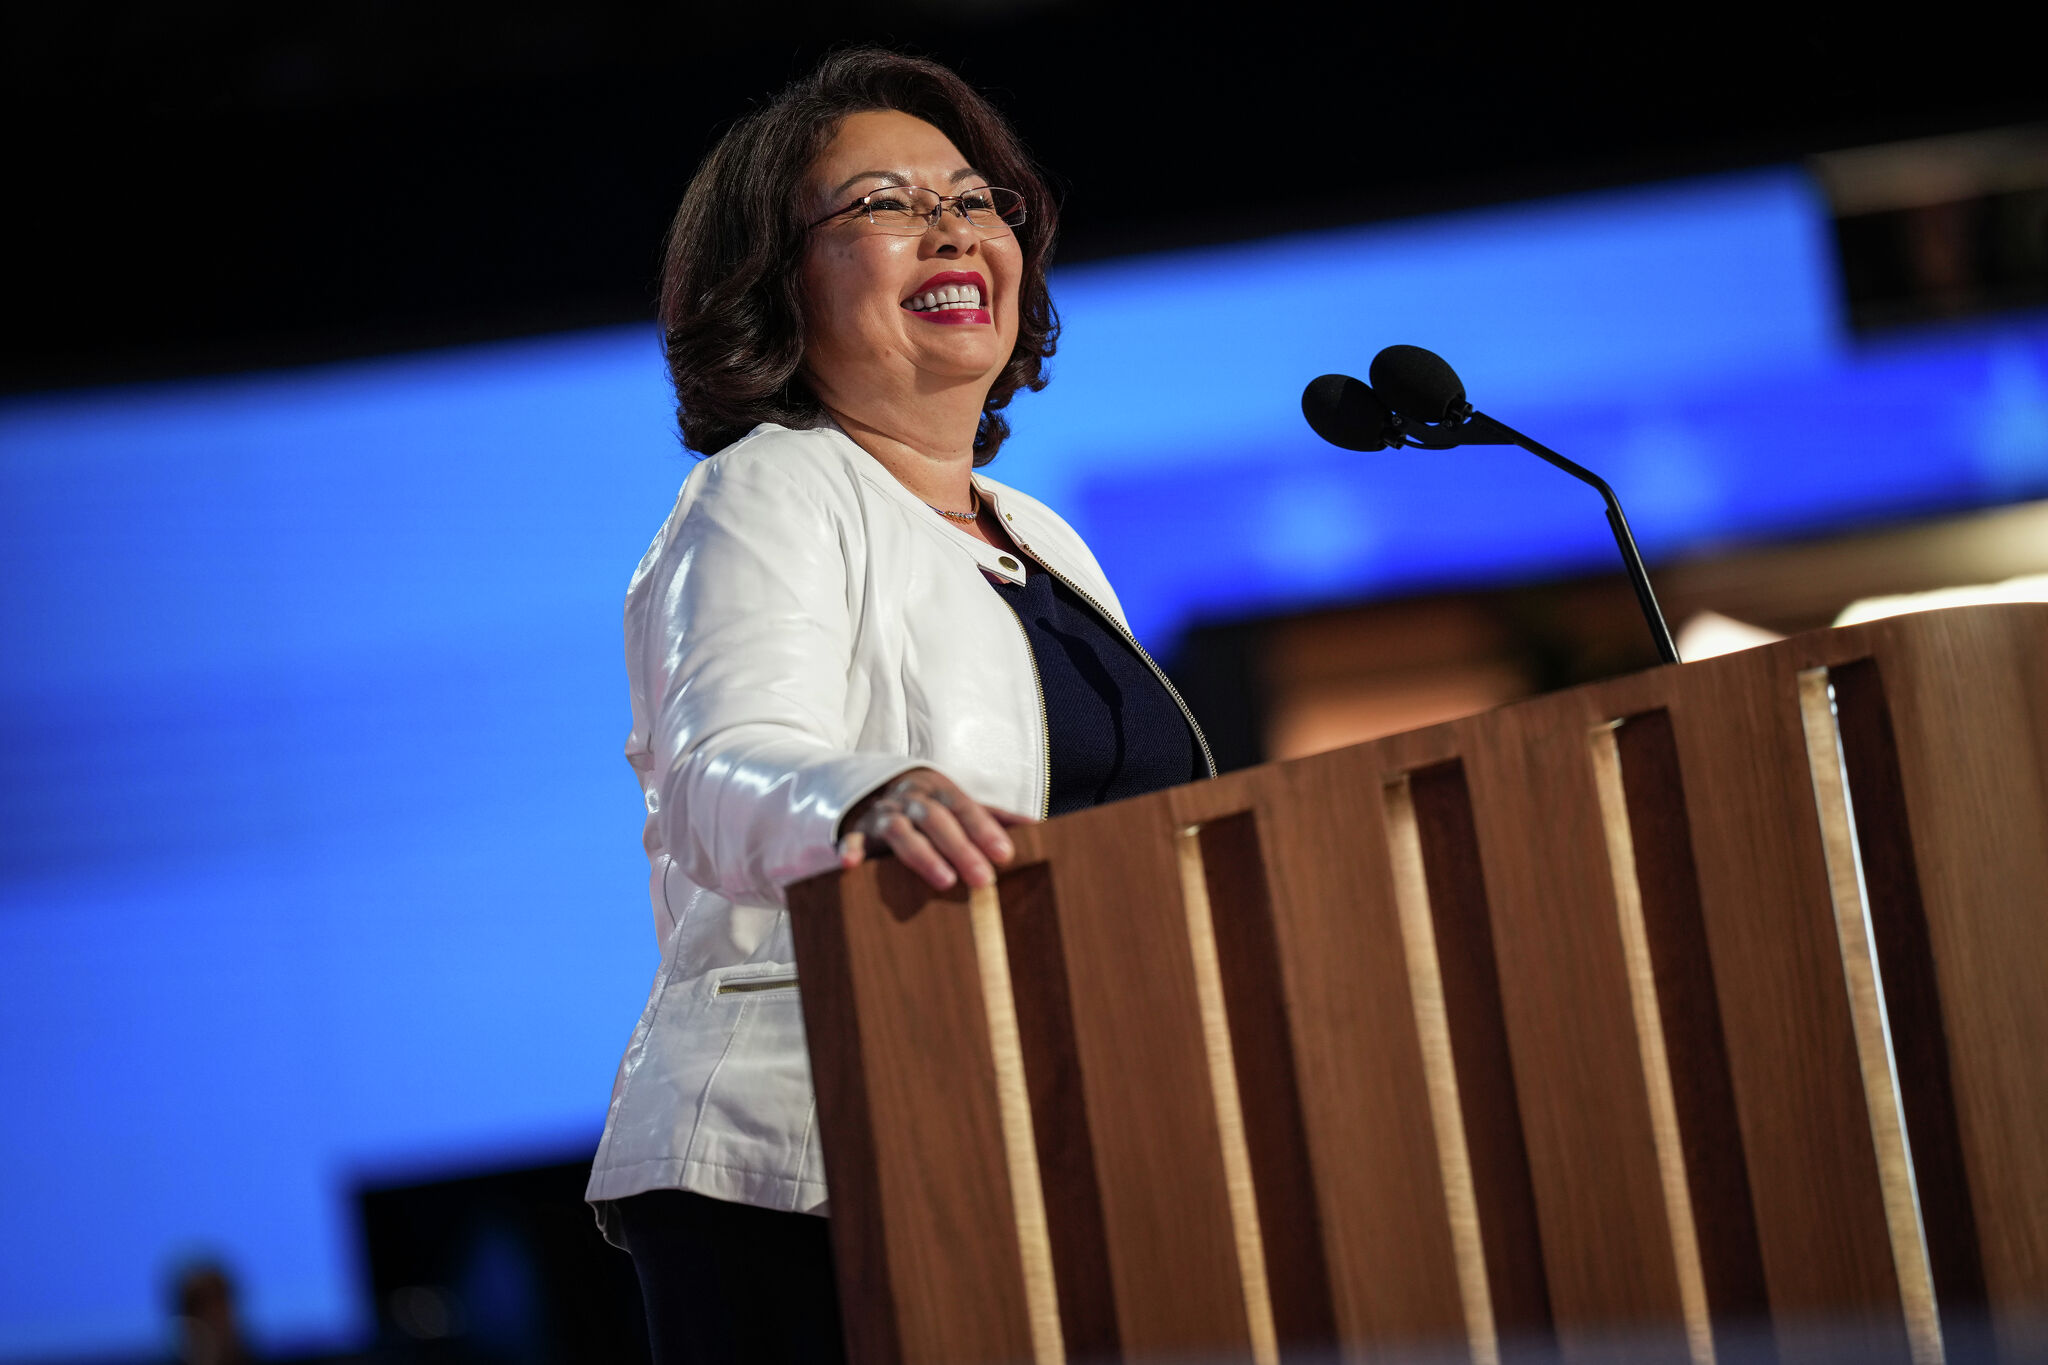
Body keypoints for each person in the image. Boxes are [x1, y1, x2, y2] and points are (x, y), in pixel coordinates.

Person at [586, 48, 1213, 1363]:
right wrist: (867, 796)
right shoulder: (768, 488)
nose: (952, 228)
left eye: (975, 199)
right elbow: (716, 766)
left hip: (1045, 1126)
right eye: (883, 203)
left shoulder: (1035, 534)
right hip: (811, 1154)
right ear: (777, 282)